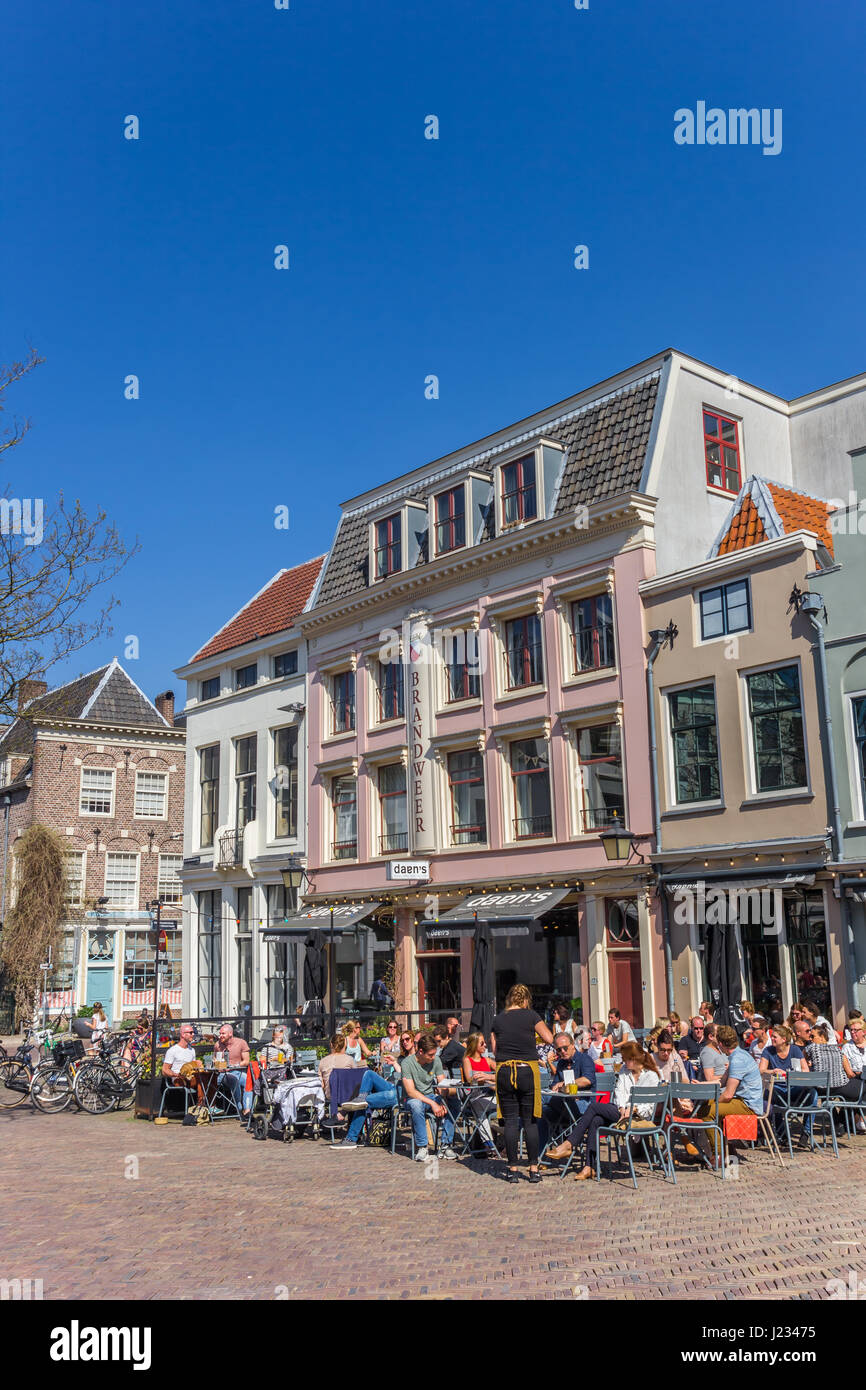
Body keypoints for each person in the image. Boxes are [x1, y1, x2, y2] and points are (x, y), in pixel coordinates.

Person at [544, 1042, 662, 1180]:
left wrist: (634, 1108)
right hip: (621, 1112)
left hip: (639, 1117)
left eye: (625, 1059)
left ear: (634, 1059)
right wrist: (623, 1108)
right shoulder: (625, 1070)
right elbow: (619, 1093)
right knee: (596, 1121)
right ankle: (589, 1167)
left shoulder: (651, 1076)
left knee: (594, 1107)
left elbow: (649, 1105)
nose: (623, 1062)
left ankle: (569, 1144)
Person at [490, 983, 554, 1184]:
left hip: (505, 1071)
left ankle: (511, 1169)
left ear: (509, 999)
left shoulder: (498, 1019)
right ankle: (534, 1169)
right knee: (530, 1120)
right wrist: (530, 1038)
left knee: (510, 1121)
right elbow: (549, 1037)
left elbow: (494, 1049)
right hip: (527, 1070)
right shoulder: (531, 1016)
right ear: (526, 999)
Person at [400, 1032, 457, 1161]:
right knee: (416, 1104)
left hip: (431, 1097)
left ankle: (446, 1145)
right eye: (430, 1055)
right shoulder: (407, 1063)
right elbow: (410, 1092)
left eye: (434, 1054)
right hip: (412, 1099)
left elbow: (442, 1083)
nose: (433, 1057)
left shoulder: (435, 1060)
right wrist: (433, 1104)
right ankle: (422, 1147)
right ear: (420, 1051)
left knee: (454, 1102)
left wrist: (443, 1099)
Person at [538, 1030, 596, 1150]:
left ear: (572, 1044)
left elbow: (588, 1080)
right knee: (540, 1112)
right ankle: (540, 1157)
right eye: (559, 1050)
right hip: (564, 1106)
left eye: (565, 1048)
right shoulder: (561, 1064)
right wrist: (556, 1088)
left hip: (584, 1106)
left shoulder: (585, 1059)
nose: (562, 1052)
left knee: (540, 1097)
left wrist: (565, 1084)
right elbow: (555, 1086)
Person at [697, 1026, 764, 1126]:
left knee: (706, 1112)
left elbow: (728, 1095)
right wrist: (702, 1084)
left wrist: (715, 1103)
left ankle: (718, 1142)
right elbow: (722, 1081)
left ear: (720, 1044)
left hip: (749, 1105)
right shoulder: (740, 1054)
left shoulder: (737, 1059)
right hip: (745, 1101)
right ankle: (720, 1140)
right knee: (708, 1104)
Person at [330, 1068, 398, 1150]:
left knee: (363, 1103)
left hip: (399, 1093)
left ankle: (351, 1138)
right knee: (369, 1073)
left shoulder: (413, 1061)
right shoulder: (410, 1060)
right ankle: (360, 1099)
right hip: (393, 1086)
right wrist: (394, 1063)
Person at [460, 1032, 498, 1156]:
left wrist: (488, 1078)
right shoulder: (467, 1060)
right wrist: (488, 1080)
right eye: (482, 1043)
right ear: (475, 1044)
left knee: (479, 1107)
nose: (485, 1045)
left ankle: (489, 1144)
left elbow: (503, 1072)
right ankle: (489, 1144)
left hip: (490, 1097)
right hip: (476, 1096)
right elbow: (470, 1079)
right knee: (477, 1105)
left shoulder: (487, 1060)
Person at [805, 1023, 861, 1103]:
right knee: (861, 1086)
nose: (810, 1039)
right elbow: (850, 1074)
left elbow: (803, 1062)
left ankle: (836, 1113)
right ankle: (854, 1113)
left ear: (822, 1038)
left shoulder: (810, 1048)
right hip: (839, 1087)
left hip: (821, 1088)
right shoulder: (838, 1050)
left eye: (812, 1036)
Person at [213, 1023, 250, 1113]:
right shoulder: (218, 1045)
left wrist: (235, 1066)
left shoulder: (241, 1043)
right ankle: (239, 1108)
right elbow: (214, 1059)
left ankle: (247, 1110)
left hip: (238, 1071)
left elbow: (246, 1061)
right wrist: (217, 1064)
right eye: (220, 1033)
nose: (220, 1036)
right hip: (224, 1074)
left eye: (223, 1034)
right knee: (234, 1080)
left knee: (248, 1081)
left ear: (230, 1034)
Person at [318, 1033, 360, 1100]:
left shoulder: (322, 1061)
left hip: (330, 1096)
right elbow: (356, 1079)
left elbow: (321, 1085)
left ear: (331, 1045)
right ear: (345, 1045)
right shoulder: (350, 1060)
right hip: (347, 1094)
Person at [842, 1019, 866, 1133]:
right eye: (851, 1030)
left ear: (864, 1032)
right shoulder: (846, 1047)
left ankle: (860, 1119)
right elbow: (849, 1072)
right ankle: (860, 1119)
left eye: (856, 1030)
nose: (852, 1032)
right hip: (855, 1079)